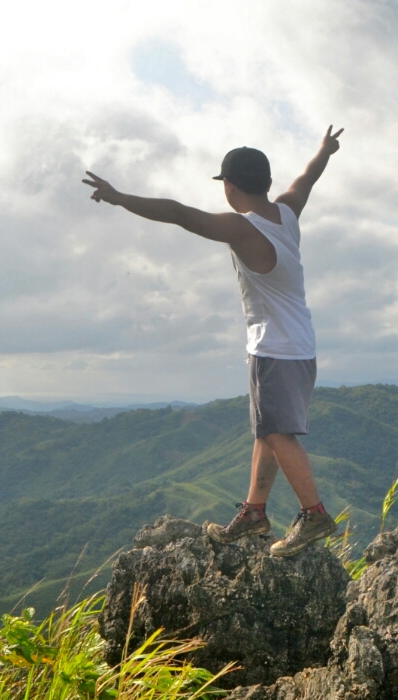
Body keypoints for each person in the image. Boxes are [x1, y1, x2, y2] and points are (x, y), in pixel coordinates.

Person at [83, 126, 343, 557]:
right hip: (300, 345)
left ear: (230, 185)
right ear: (268, 182)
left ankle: (313, 514)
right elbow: (306, 179)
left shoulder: (243, 228)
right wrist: (324, 151)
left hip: (274, 348)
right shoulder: (287, 212)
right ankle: (254, 512)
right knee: (266, 431)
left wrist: (120, 198)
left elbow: (179, 213)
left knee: (277, 432)